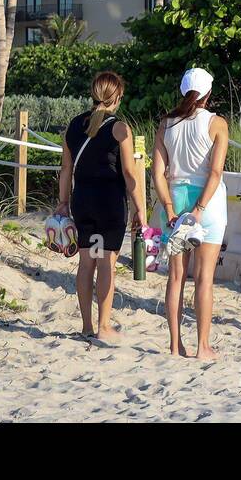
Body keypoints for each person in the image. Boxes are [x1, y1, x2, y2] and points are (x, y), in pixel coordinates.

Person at [55, 71, 146, 342]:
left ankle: (86, 327)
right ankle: (103, 326)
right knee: (106, 263)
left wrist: (62, 203)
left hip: (83, 200)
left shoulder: (73, 125)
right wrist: (140, 208)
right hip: (109, 203)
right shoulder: (120, 128)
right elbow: (130, 174)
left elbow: (66, 169)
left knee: (87, 262)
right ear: (117, 97)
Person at [152, 67, 229, 359]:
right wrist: (199, 209)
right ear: (208, 94)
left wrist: (170, 208)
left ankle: (175, 345)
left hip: (174, 196)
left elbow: (157, 173)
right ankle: (203, 347)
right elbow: (216, 172)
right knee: (204, 278)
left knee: (175, 278)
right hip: (206, 203)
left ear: (183, 92)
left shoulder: (166, 124)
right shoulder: (216, 123)